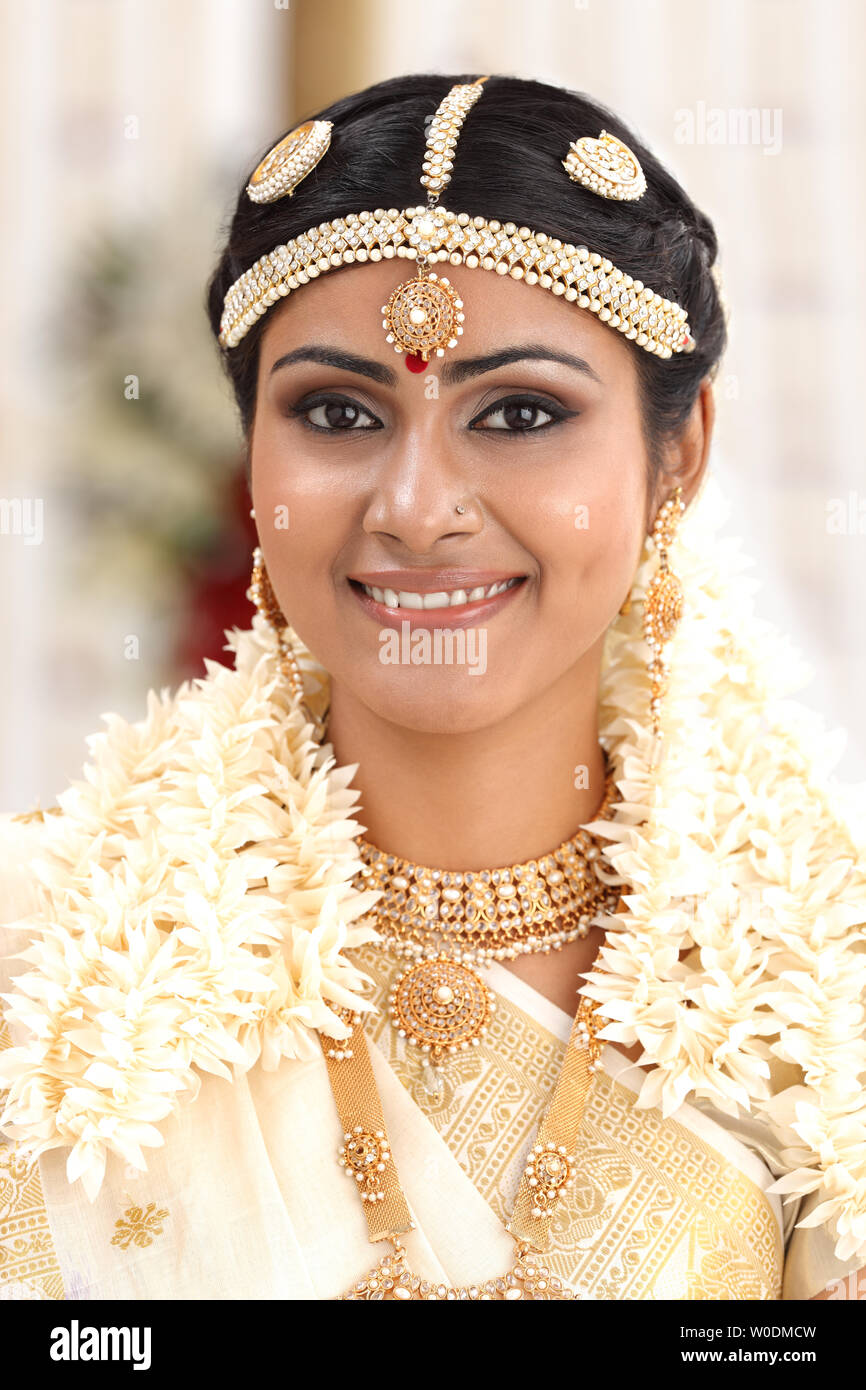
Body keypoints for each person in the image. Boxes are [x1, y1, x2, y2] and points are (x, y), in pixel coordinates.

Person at [1, 72, 864, 1302]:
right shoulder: (42, 953)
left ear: (676, 456)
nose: (413, 508)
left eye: (516, 412)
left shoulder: (817, 990)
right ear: (251, 455)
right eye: (336, 412)